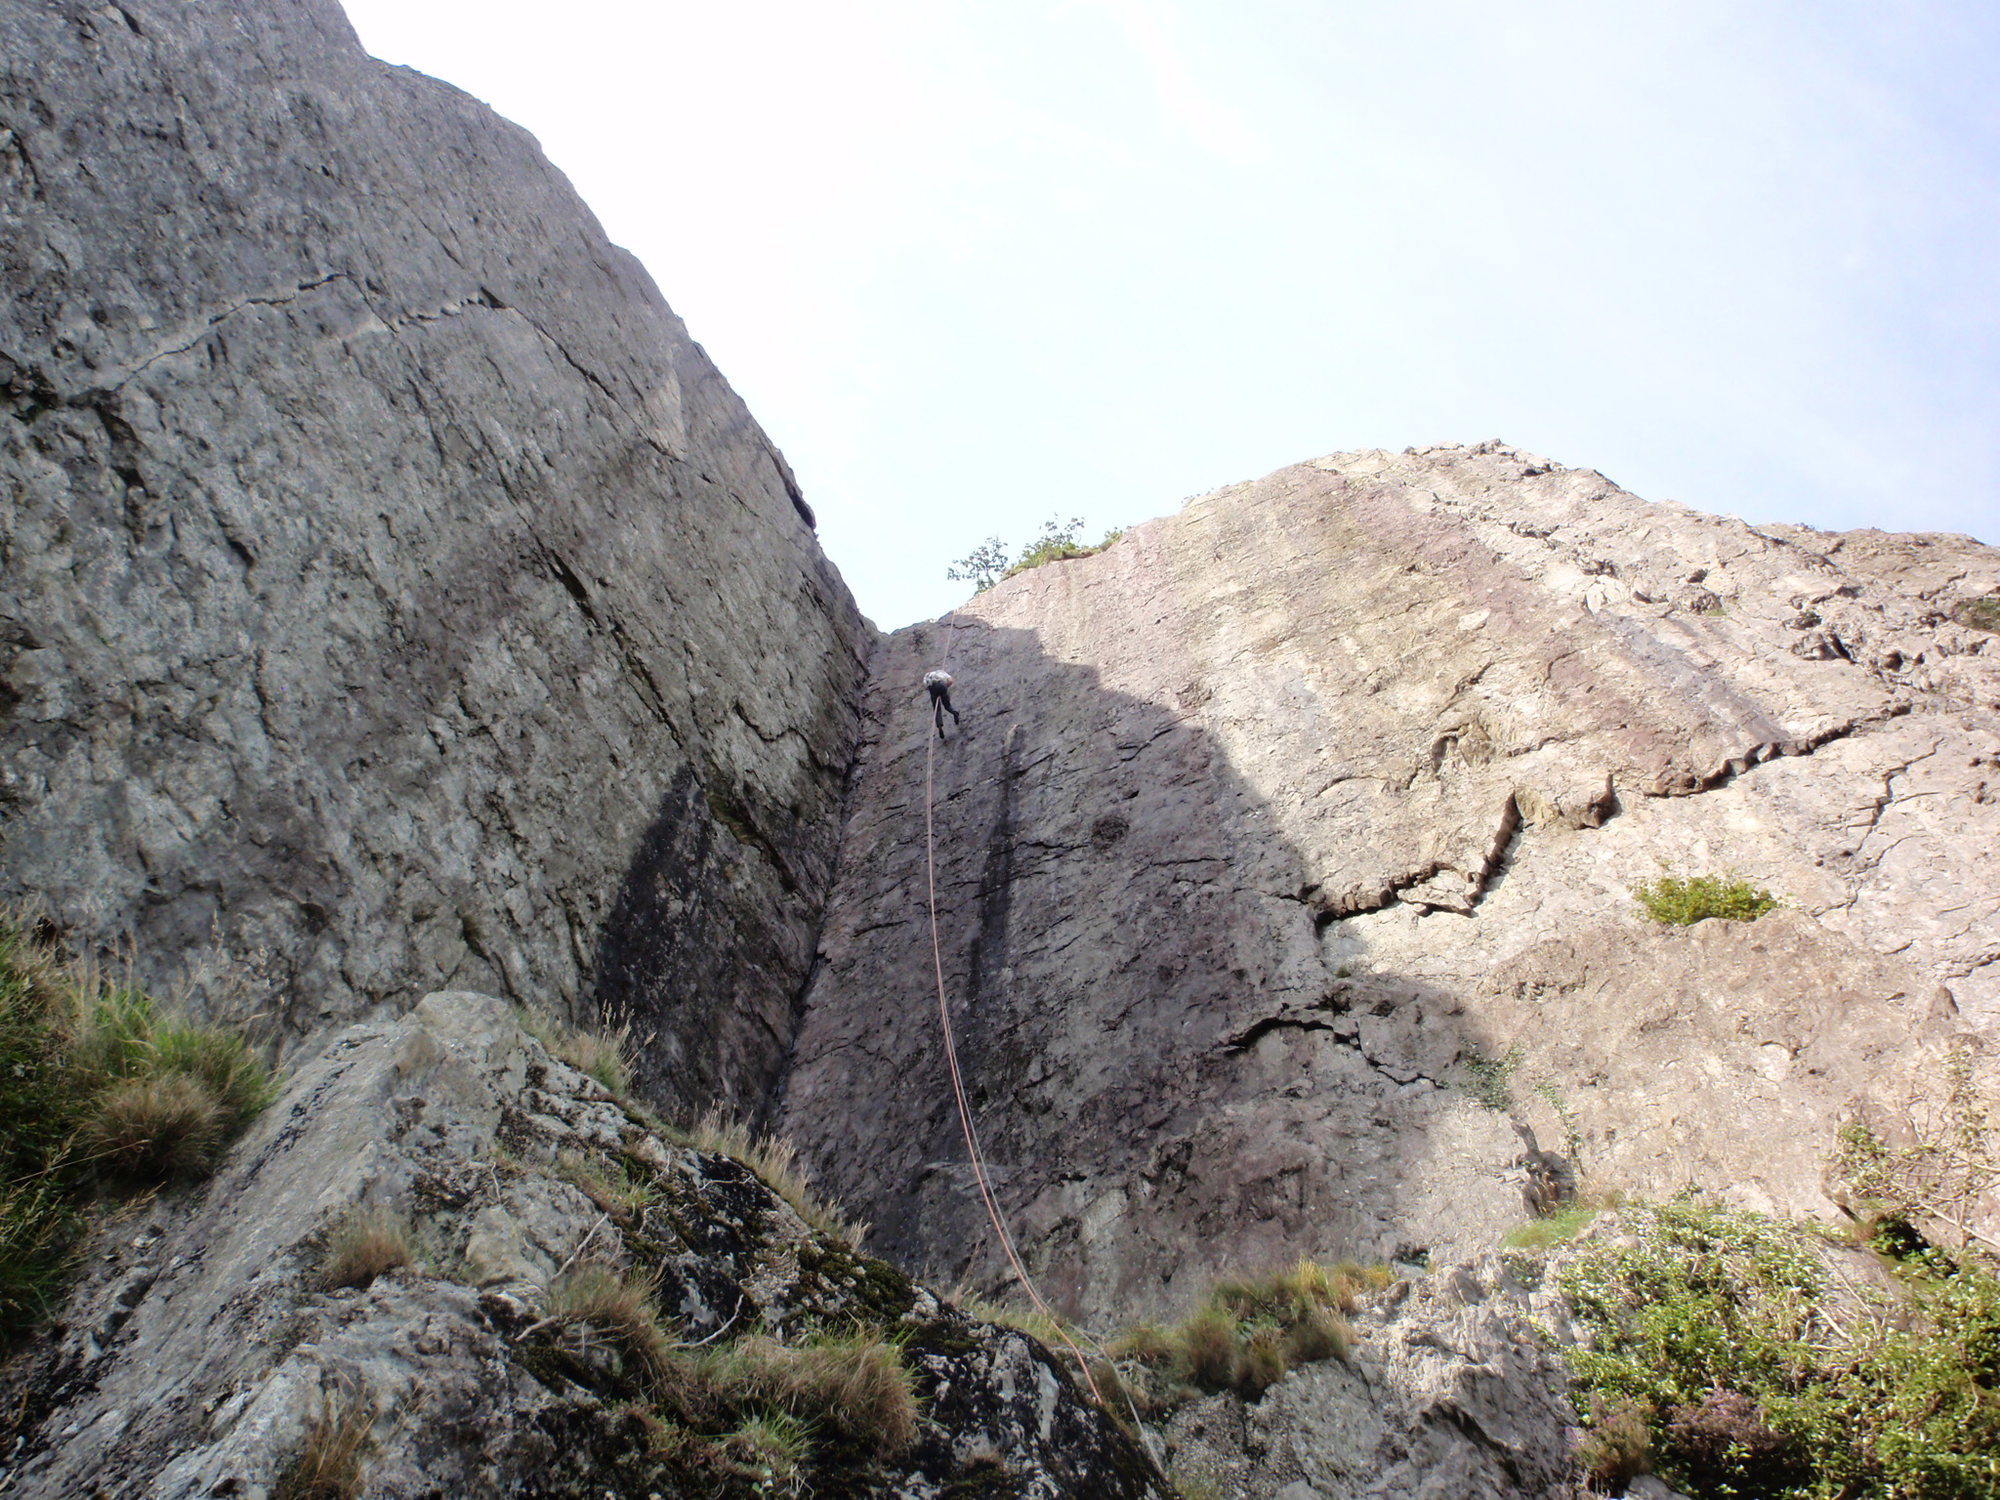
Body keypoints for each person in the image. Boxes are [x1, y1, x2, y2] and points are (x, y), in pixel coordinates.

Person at [923, 669, 960, 738]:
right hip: (941, 685)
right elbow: (950, 681)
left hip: (932, 689)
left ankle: (940, 727)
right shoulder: (941, 672)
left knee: (937, 710)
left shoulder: (926, 676)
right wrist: (944, 689)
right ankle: (955, 713)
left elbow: (926, 687)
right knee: (947, 706)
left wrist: (935, 692)